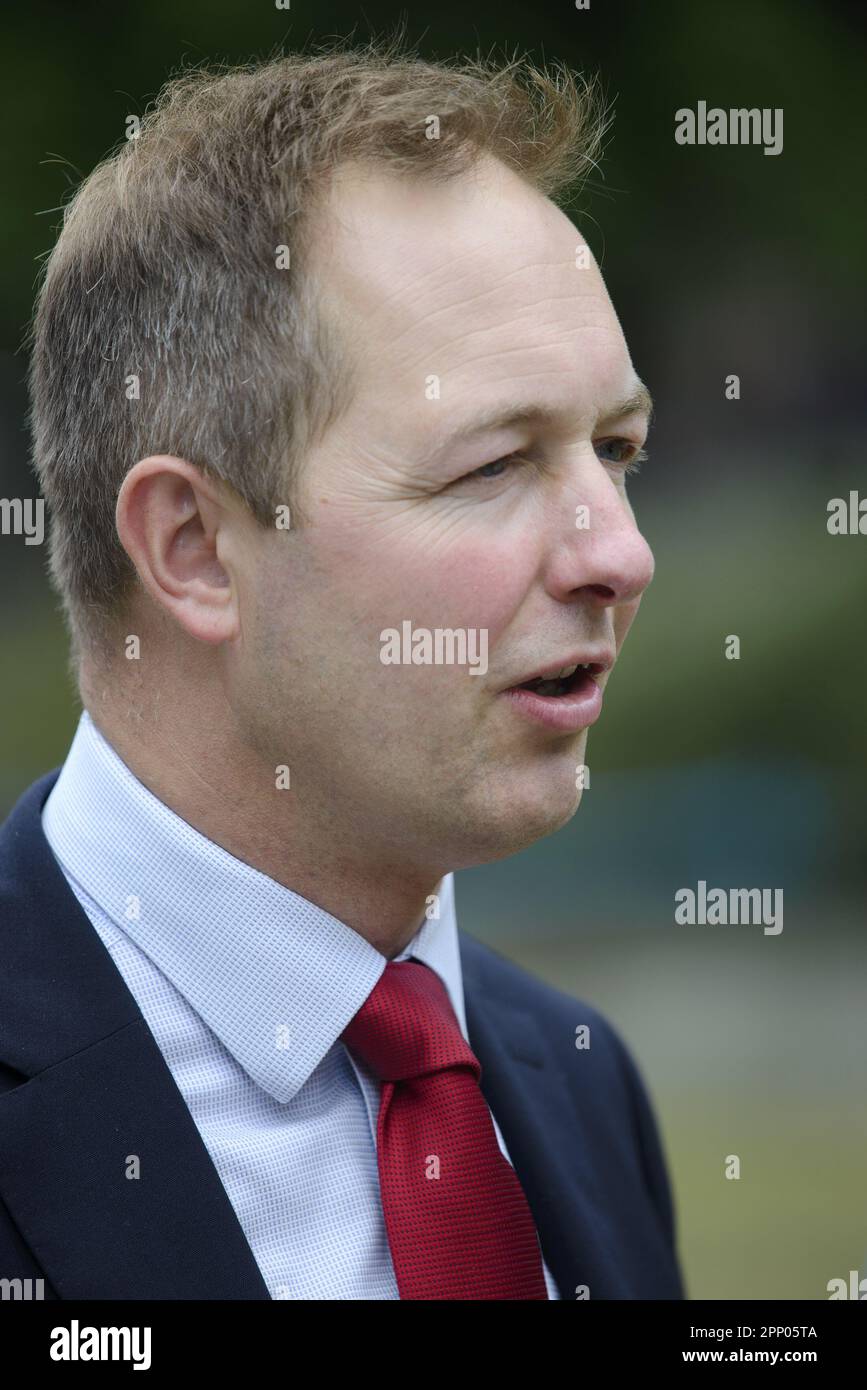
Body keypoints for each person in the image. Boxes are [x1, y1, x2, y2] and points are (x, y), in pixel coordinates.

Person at [0, 38, 684, 1300]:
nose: (622, 554)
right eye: (493, 466)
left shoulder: (581, 1083)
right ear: (194, 549)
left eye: (618, 446)